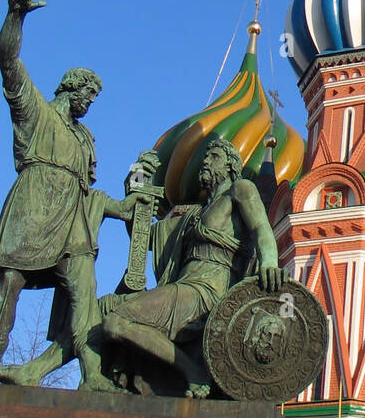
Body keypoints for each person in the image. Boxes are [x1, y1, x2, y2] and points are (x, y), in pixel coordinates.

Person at [0, 0, 145, 390]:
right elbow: (8, 63)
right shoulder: (35, 112)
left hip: (74, 221)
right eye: (87, 92)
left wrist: (124, 209)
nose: (90, 101)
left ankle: (92, 375)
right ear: (70, 87)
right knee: (11, 281)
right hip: (33, 204)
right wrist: (15, 16)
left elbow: (90, 193)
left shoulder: (85, 139)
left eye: (94, 96)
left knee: (82, 293)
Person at [101, 136, 284, 397]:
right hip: (183, 287)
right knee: (111, 320)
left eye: (214, 157)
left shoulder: (240, 189)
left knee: (116, 322)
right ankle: (186, 371)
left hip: (207, 292)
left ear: (231, 167)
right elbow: (146, 237)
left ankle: (193, 373)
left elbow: (261, 228)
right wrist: (137, 181)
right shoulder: (193, 215)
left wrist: (269, 262)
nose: (206, 162)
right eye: (206, 157)